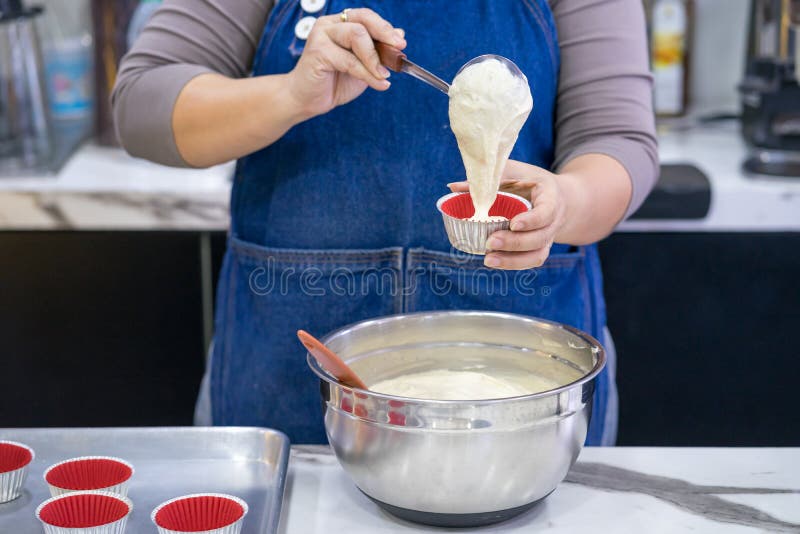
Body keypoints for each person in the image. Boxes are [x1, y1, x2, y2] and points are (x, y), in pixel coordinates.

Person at [112, 0, 657, 446]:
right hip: (285, 386)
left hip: (517, 407)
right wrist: (289, 94)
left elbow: (618, 143)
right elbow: (141, 105)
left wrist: (565, 200)